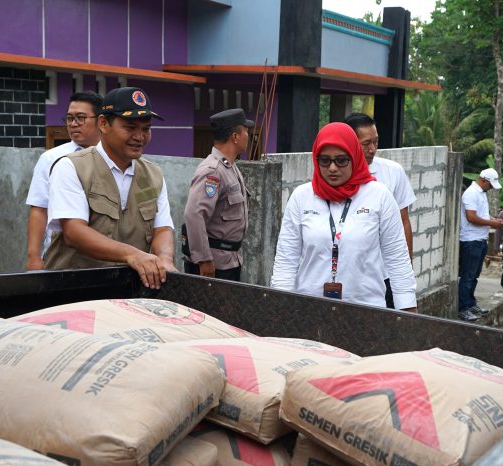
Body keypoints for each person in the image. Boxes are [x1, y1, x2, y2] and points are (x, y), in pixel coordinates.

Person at [270, 122, 417, 311]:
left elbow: (397, 259)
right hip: (309, 310)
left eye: (341, 160)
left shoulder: (379, 196)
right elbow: (286, 259)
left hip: (367, 311)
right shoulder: (301, 197)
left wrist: (408, 309)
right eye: (325, 160)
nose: (332, 168)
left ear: (354, 157)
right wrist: (279, 308)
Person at [45, 87, 176, 289]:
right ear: (103, 124)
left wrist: (164, 260)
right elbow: (74, 233)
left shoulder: (153, 175)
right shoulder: (71, 167)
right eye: (130, 127)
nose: (139, 137)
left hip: (127, 291)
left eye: (146, 129)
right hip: (73, 291)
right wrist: (133, 255)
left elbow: (163, 229)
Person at [344, 113, 416, 308]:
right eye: (366, 143)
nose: (373, 149)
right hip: (348, 276)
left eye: (375, 142)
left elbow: (404, 221)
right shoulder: (333, 176)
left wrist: (406, 271)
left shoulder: (393, 172)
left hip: (386, 273)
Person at [25, 91, 103, 270]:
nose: (73, 124)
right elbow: (39, 209)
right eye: (69, 118)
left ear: (101, 121)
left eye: (81, 118)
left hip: (106, 254)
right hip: (62, 254)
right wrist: (34, 257)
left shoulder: (111, 157)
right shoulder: (52, 158)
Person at [183, 108, 254, 281]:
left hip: (229, 261)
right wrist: (204, 260)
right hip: (214, 265)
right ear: (235, 136)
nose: (248, 136)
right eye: (245, 131)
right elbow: (194, 214)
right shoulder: (213, 171)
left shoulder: (230, 167)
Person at [458, 168, 503, 321]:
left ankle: (470, 303)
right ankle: (462, 308)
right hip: (471, 240)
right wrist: (492, 223)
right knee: (468, 276)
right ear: (484, 180)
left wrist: (494, 220)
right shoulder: (471, 193)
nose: (490, 188)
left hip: (480, 239)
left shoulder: (481, 193)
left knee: (474, 276)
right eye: (490, 185)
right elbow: (471, 217)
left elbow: (482, 215)